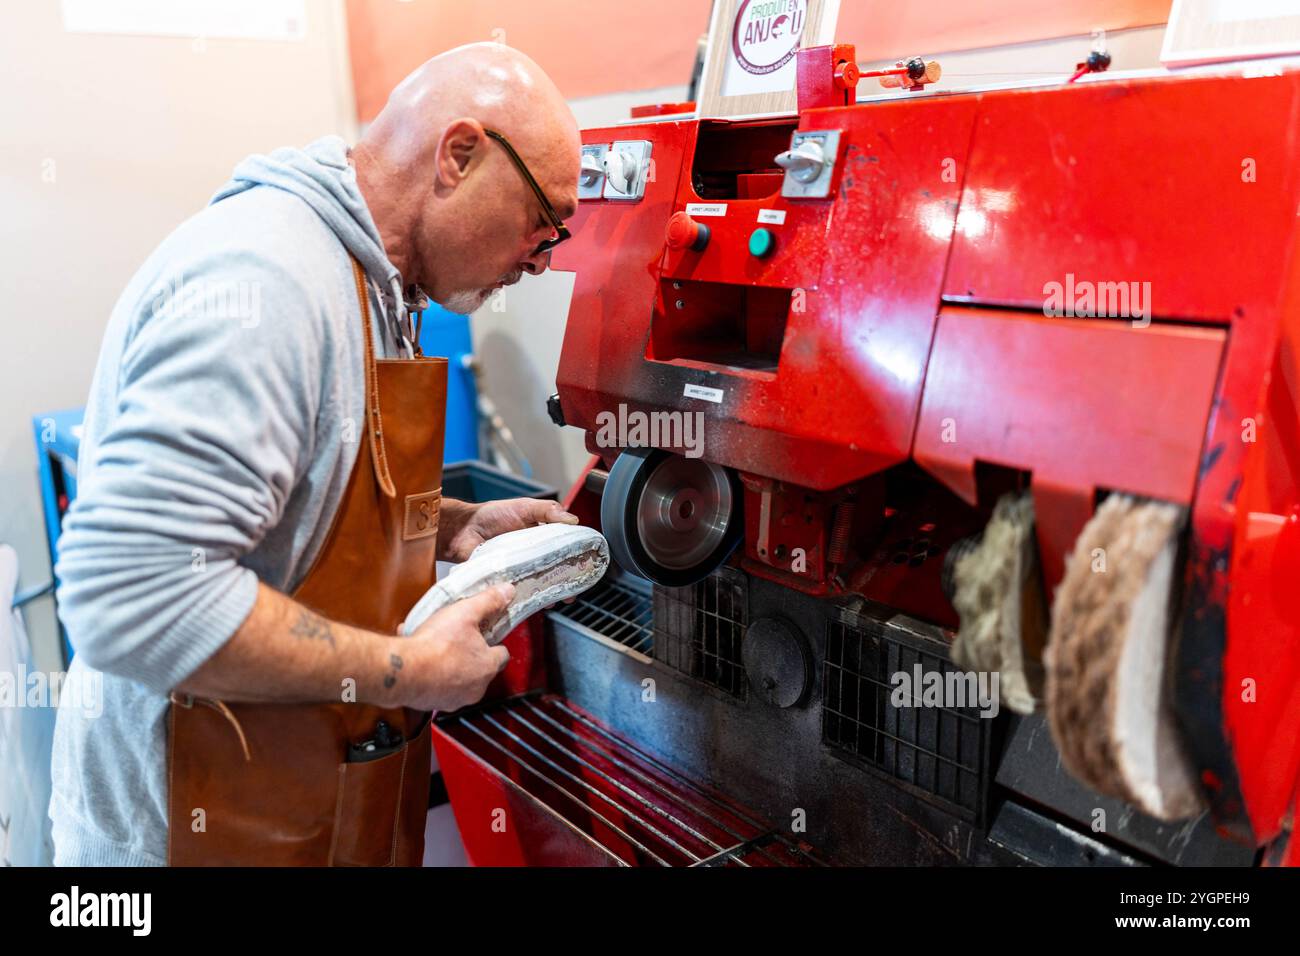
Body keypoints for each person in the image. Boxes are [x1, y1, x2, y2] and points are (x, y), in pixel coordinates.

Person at [49, 42, 582, 866]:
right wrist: (408, 670)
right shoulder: (269, 282)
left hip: (298, 805)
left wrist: (453, 522)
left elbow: (304, 488)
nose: (542, 259)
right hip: (181, 833)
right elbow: (129, 594)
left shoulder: (378, 282)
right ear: (460, 155)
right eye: (543, 221)